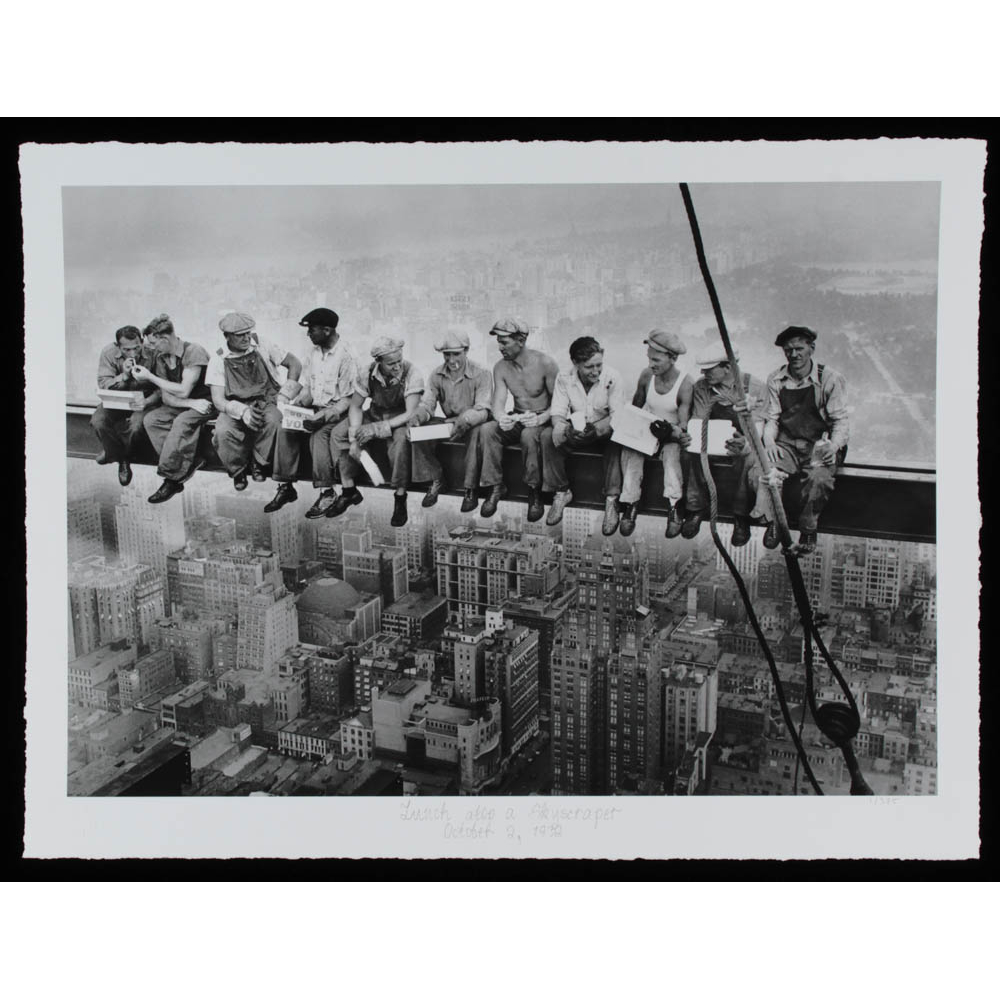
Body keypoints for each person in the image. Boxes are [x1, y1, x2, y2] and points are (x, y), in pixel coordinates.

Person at [749, 325, 849, 553]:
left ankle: (808, 529)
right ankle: (774, 521)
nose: (794, 355)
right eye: (788, 350)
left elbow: (840, 421)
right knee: (765, 472)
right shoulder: (776, 379)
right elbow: (772, 418)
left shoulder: (830, 379)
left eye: (799, 349)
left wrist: (833, 446)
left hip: (820, 444)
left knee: (818, 480)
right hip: (788, 443)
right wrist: (770, 443)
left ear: (811, 348)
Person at [326, 335, 425, 527]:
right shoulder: (367, 372)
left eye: (399, 361)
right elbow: (355, 406)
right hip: (375, 413)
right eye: (391, 364)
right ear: (378, 362)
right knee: (339, 433)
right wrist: (355, 437)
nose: (397, 366)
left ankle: (400, 497)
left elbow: (410, 412)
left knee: (401, 442)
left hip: (399, 418)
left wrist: (376, 429)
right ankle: (348, 490)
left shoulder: (413, 373)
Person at [269, 307, 357, 517]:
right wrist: (298, 405)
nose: (309, 334)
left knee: (318, 437)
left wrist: (325, 416)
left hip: (337, 413)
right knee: (286, 428)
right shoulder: (313, 354)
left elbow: (349, 398)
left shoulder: (347, 356)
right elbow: (309, 387)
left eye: (312, 330)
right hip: (314, 409)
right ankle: (286, 486)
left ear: (327, 330)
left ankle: (327, 491)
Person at [205, 312, 302, 499]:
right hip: (235, 403)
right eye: (240, 335)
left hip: (267, 399)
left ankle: (259, 462)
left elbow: (294, 364)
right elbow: (218, 400)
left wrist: (285, 394)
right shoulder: (218, 358)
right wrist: (241, 411)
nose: (246, 338)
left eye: (248, 332)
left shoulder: (262, 344)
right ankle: (237, 469)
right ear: (227, 336)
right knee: (222, 431)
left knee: (275, 422)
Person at [680, 346, 765, 546]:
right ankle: (695, 508)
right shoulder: (702, 387)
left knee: (748, 459)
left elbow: (758, 429)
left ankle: (740, 516)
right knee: (691, 452)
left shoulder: (755, 387)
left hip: (742, 442)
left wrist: (744, 442)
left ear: (727, 367)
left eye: (709, 369)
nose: (703, 373)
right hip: (712, 440)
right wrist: (691, 436)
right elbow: (698, 419)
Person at [541, 336, 625, 533]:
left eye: (599, 365)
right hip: (578, 428)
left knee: (616, 441)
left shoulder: (613, 377)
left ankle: (612, 500)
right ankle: (561, 491)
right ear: (575, 363)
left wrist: (596, 431)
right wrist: (566, 429)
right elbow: (558, 413)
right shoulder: (564, 378)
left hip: (604, 429)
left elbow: (617, 416)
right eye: (589, 367)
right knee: (547, 436)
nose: (596, 371)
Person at [478, 318, 559, 521]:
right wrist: (502, 417)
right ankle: (495, 486)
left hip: (542, 418)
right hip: (518, 415)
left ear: (520, 341)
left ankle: (534, 491)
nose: (500, 347)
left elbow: (559, 404)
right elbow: (498, 403)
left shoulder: (546, 364)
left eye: (504, 342)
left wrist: (541, 419)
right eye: (499, 342)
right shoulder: (501, 368)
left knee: (529, 436)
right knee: (488, 430)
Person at [618, 329, 694, 538]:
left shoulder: (685, 384)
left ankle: (674, 504)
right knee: (631, 451)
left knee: (671, 457)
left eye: (657, 360)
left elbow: (684, 424)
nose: (652, 364)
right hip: (648, 428)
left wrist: (670, 431)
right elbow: (635, 408)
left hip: (670, 434)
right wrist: (631, 430)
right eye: (650, 359)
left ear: (673, 358)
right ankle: (631, 502)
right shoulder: (646, 375)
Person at [131, 314, 214, 503]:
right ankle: (188, 462)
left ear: (165, 338)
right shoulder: (162, 357)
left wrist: (150, 377)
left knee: (182, 422)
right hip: (190, 403)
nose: (151, 348)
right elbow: (167, 396)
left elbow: (183, 390)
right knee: (152, 420)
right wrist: (190, 404)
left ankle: (171, 478)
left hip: (207, 402)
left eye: (154, 343)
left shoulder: (194, 352)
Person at [407, 329, 492, 512]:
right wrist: (418, 416)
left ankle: (470, 488)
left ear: (466, 351)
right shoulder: (437, 375)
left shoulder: (482, 373)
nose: (451, 360)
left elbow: (483, 409)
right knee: (417, 433)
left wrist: (466, 419)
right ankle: (436, 477)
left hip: (473, 422)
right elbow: (428, 403)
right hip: (450, 423)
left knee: (476, 434)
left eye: (456, 354)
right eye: (447, 355)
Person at [90, 325, 159, 486]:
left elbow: (161, 386)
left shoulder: (153, 352)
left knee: (136, 427)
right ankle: (119, 456)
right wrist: (125, 376)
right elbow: (104, 384)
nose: (133, 353)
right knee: (98, 421)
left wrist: (147, 401)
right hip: (116, 399)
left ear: (142, 342)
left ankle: (120, 457)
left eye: (136, 348)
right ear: (118, 346)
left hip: (144, 400)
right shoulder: (108, 353)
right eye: (127, 350)